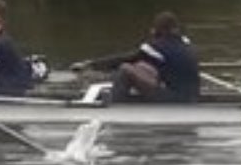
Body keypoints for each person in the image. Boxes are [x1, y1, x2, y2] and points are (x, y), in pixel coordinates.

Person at [72, 11, 200, 103]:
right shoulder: (186, 43)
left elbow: (125, 59)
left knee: (125, 69)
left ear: (156, 30)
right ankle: (120, 95)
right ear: (175, 28)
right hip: (193, 96)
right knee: (141, 66)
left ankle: (115, 103)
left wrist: (90, 64)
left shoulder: (156, 46)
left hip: (175, 99)